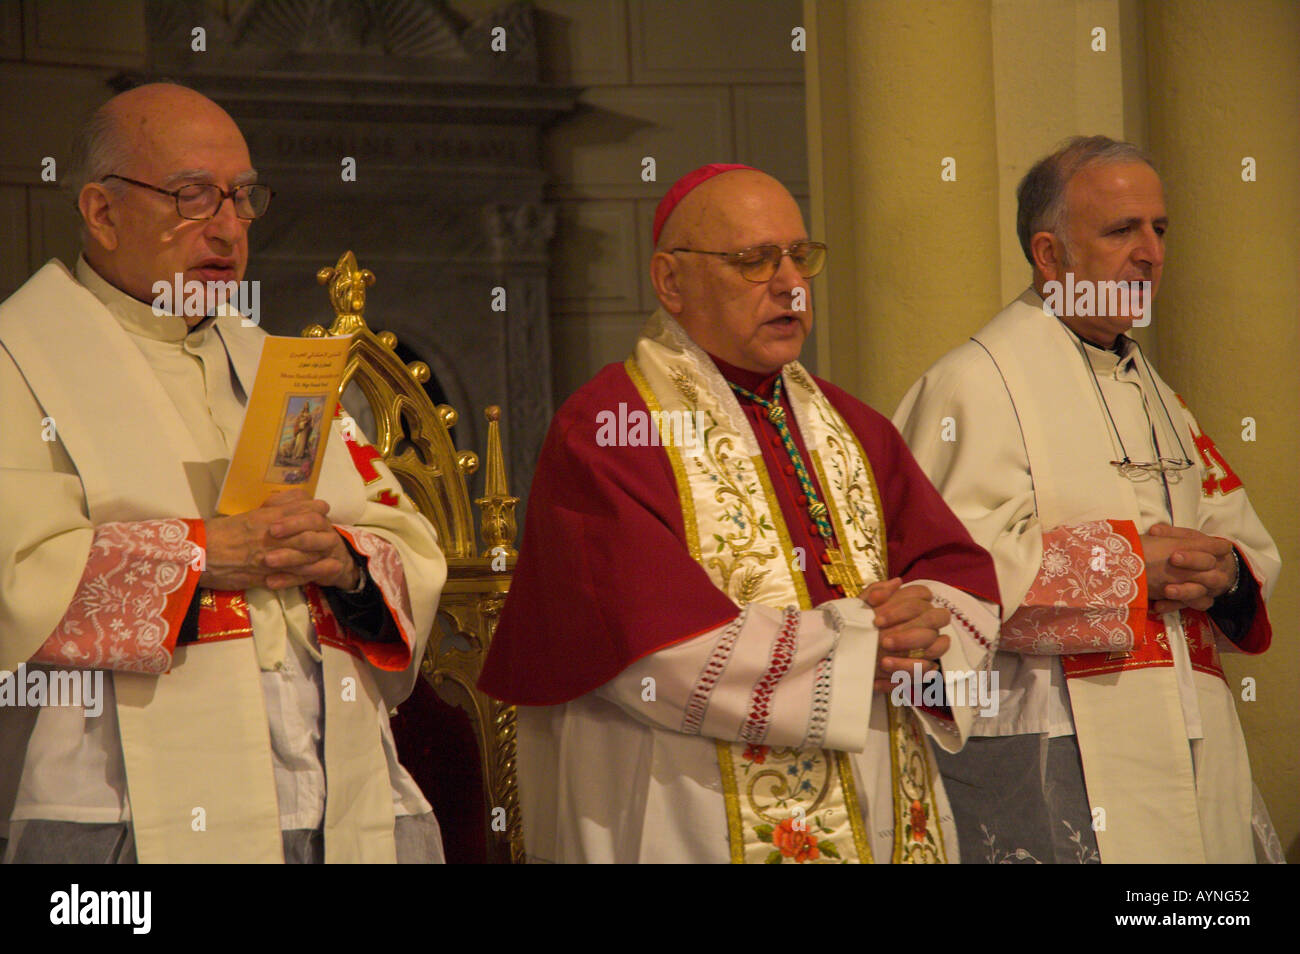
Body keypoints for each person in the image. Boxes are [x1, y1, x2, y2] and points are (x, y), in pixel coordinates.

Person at [479, 164, 1001, 863]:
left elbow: (958, 574)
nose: (790, 285)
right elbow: (649, 643)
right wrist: (854, 649)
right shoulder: (611, 428)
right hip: (687, 802)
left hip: (875, 791)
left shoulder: (853, 426)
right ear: (671, 281)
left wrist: (920, 628)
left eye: (800, 257)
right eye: (754, 261)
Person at [0, 83, 447, 863]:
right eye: (193, 196)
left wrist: (344, 561)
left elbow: (405, 540)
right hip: (123, 801)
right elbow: (16, 582)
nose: (229, 227)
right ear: (101, 212)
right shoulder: (19, 363)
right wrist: (204, 555)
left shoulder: (270, 362)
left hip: (329, 785)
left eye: (242, 199)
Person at [893, 136, 1281, 863]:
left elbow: (1245, 542)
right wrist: (1134, 567)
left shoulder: (1156, 393)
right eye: (1120, 230)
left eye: (1159, 229)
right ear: (1050, 256)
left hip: (1193, 732)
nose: (1150, 253)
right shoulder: (973, 384)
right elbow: (951, 578)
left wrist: (1220, 571)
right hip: (1054, 740)